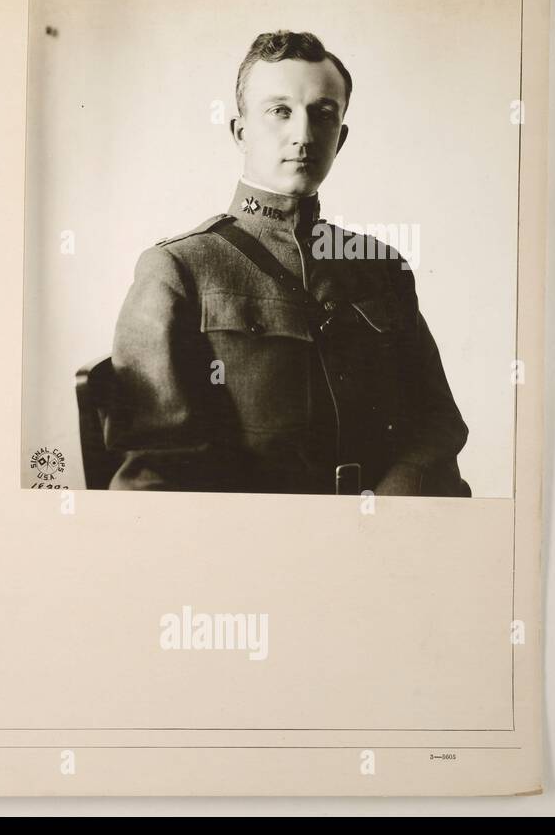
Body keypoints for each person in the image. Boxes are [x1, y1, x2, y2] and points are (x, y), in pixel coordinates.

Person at [105, 30, 469, 495]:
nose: (303, 135)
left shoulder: (379, 267)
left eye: (323, 114)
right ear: (240, 132)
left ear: (341, 137)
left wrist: (391, 507)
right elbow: (155, 468)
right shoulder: (179, 268)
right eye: (280, 112)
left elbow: (436, 422)